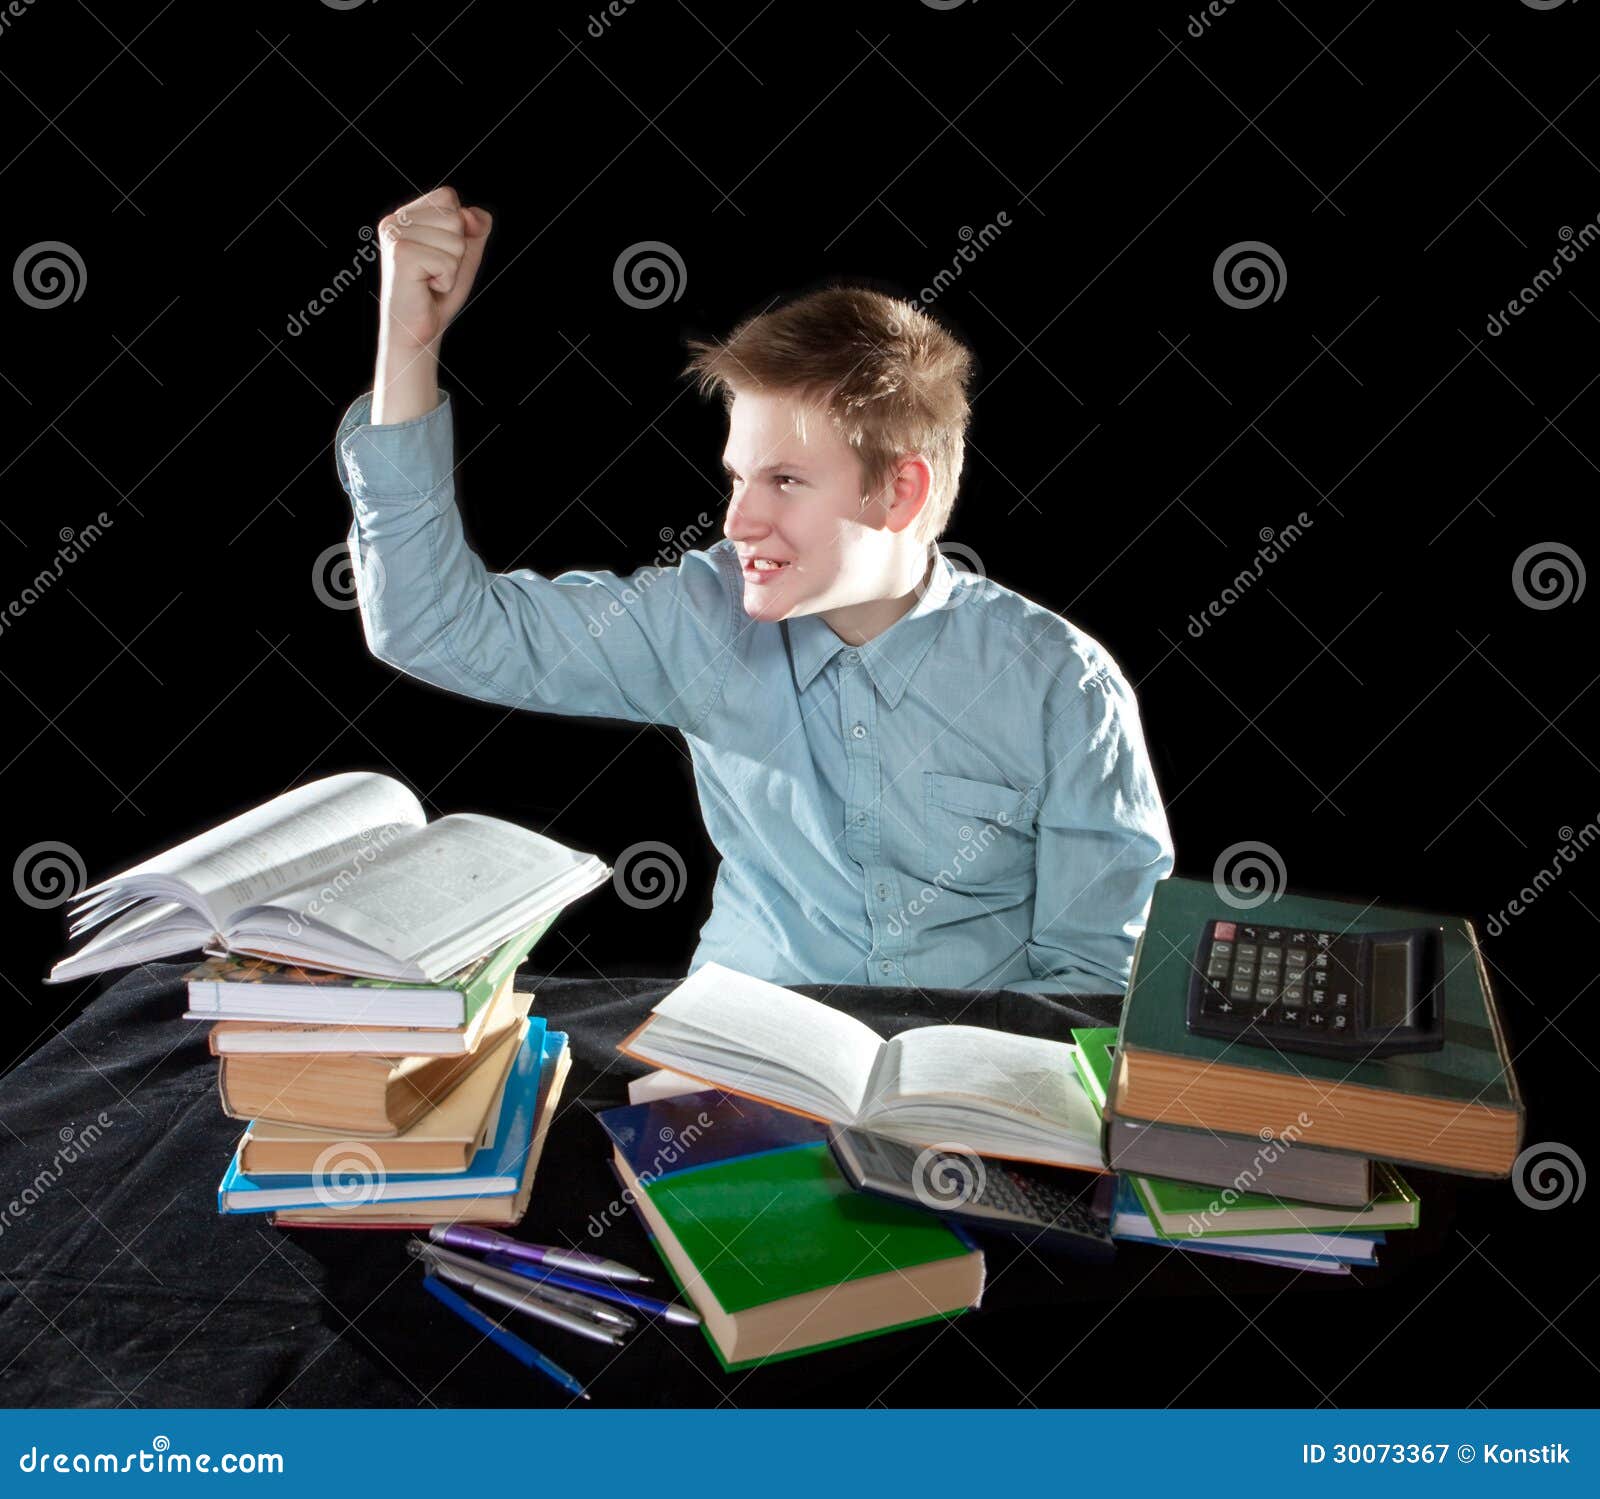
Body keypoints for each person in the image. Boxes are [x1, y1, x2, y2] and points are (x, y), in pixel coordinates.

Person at [333, 186, 1174, 997]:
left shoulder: (1063, 685)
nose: (738, 520)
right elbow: (433, 626)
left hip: (964, 1090)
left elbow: (1094, 981)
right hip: (739, 1075)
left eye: (783, 480)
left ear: (900, 493)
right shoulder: (699, 619)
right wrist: (408, 336)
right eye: (737, 477)